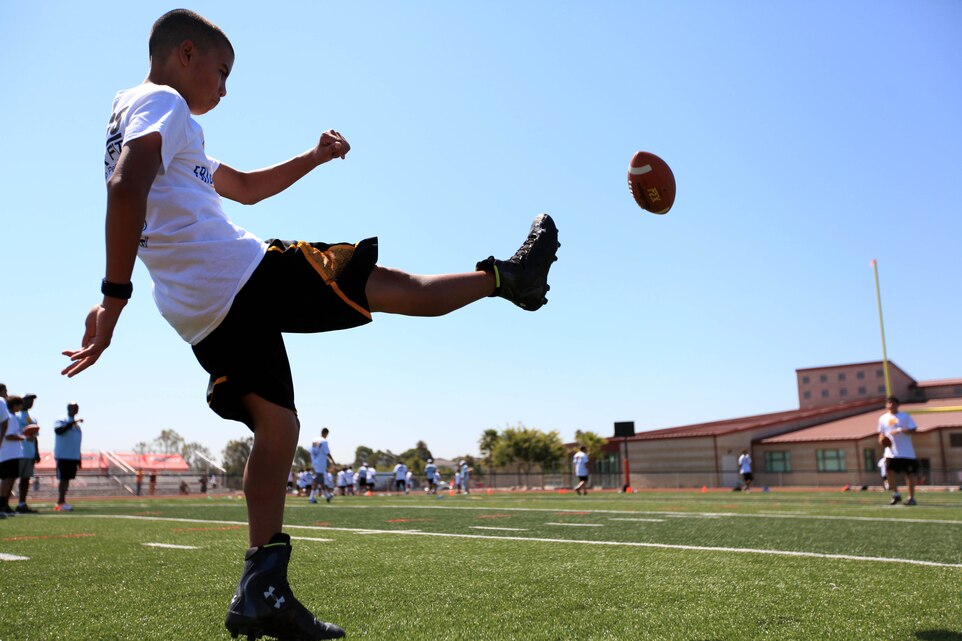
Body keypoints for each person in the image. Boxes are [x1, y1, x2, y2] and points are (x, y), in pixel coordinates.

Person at [60, 9, 558, 641]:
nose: (224, 88)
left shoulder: (144, 119)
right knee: (386, 286)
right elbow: (127, 186)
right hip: (240, 272)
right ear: (186, 55)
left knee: (278, 425)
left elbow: (239, 187)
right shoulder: (161, 103)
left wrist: (313, 157)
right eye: (221, 71)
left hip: (198, 308)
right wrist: (112, 297)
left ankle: (261, 588)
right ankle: (508, 278)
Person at [878, 396, 919, 506]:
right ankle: (896, 494)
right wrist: (881, 439)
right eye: (889, 402)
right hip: (891, 452)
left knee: (909, 474)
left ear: (897, 404)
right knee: (888, 472)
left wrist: (900, 430)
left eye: (893, 403)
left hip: (906, 452)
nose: (891, 405)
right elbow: (881, 433)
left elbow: (914, 429)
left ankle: (911, 498)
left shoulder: (904, 416)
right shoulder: (883, 418)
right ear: (886, 405)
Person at [53, 402, 84, 511]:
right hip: (63, 455)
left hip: (72, 457)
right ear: (68, 408)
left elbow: (77, 443)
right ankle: (60, 502)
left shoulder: (77, 426)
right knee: (63, 479)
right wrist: (71, 423)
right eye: (72, 407)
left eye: (76, 408)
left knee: (67, 480)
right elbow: (58, 430)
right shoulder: (62, 420)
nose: (75, 409)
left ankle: (62, 501)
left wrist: (78, 458)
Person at [0, 396, 26, 517]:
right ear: (15, 405)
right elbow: (9, 435)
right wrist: (23, 437)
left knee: (9, 479)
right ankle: (2, 504)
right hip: (9, 454)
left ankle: (5, 504)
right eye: (19, 404)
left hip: (10, 453)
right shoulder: (11, 418)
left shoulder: (11, 417)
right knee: (7, 479)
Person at [17, 393, 41, 513]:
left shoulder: (33, 418)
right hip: (17, 453)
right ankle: (4, 503)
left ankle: (21, 504)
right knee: (9, 479)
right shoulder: (15, 416)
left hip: (29, 453)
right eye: (28, 400)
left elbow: (35, 437)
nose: (31, 402)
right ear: (22, 401)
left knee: (25, 479)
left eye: (32, 400)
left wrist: (36, 452)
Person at [309, 428, 336, 504]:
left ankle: (327, 495)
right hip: (321, 462)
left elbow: (312, 451)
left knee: (321, 480)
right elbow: (327, 452)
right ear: (326, 433)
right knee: (317, 479)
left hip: (315, 462)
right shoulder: (324, 441)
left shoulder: (314, 440)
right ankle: (311, 497)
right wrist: (333, 461)